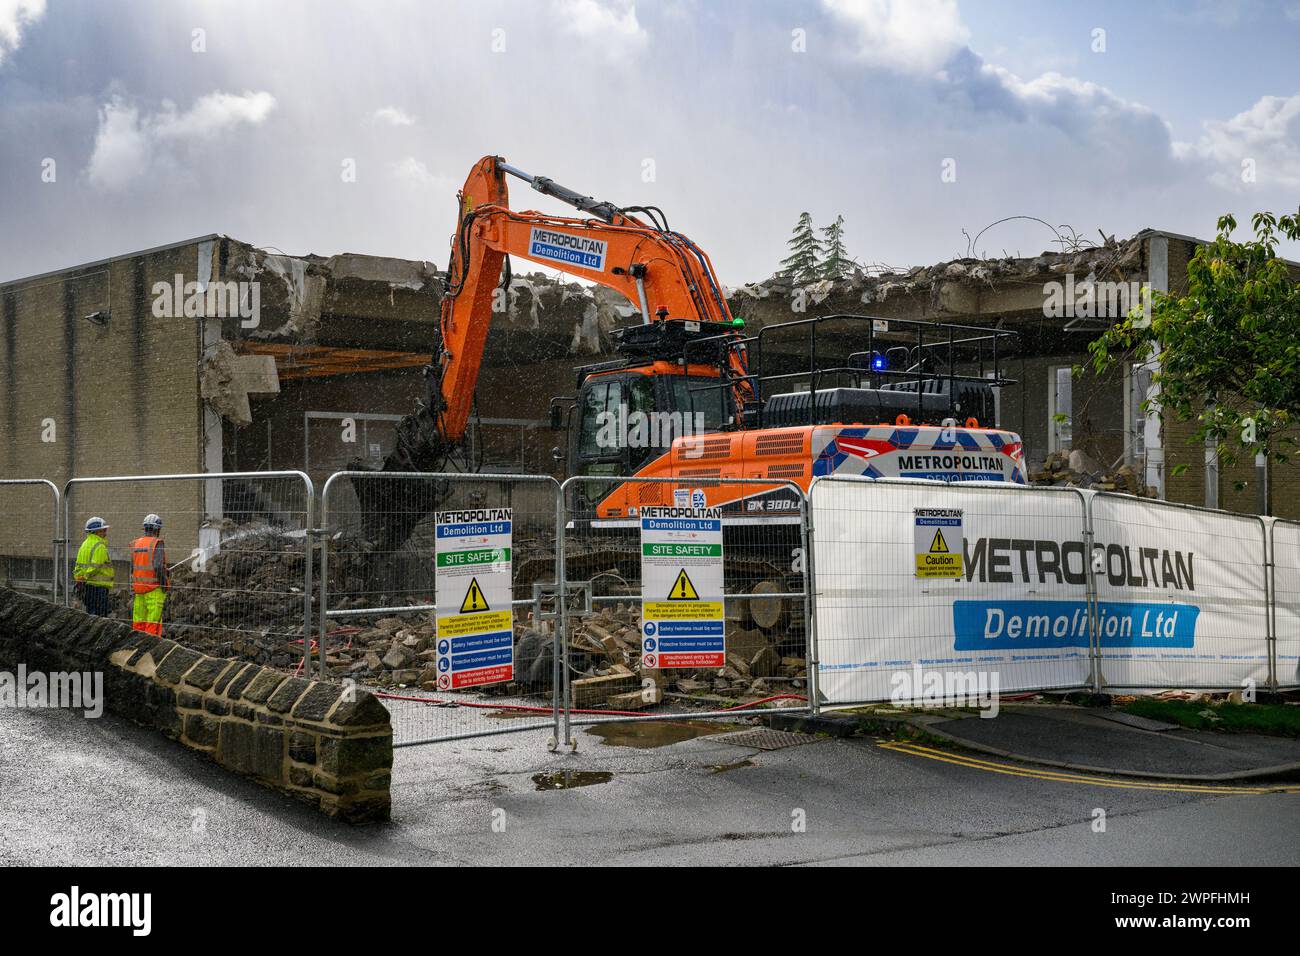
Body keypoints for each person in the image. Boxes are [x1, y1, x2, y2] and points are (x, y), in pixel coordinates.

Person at [130, 513, 170, 636]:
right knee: (153, 623)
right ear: (157, 529)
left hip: (139, 589)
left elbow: (133, 567)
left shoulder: (136, 543)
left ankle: (137, 646)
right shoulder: (157, 543)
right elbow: (157, 566)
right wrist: (164, 584)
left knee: (138, 622)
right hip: (154, 589)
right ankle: (150, 650)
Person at [72, 516, 114, 617]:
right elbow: (96, 566)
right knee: (100, 616)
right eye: (103, 530)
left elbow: (78, 566)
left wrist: (79, 578)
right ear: (96, 531)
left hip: (87, 587)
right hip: (98, 587)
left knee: (91, 615)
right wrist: (85, 577)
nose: (105, 533)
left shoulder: (84, 544)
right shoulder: (99, 545)